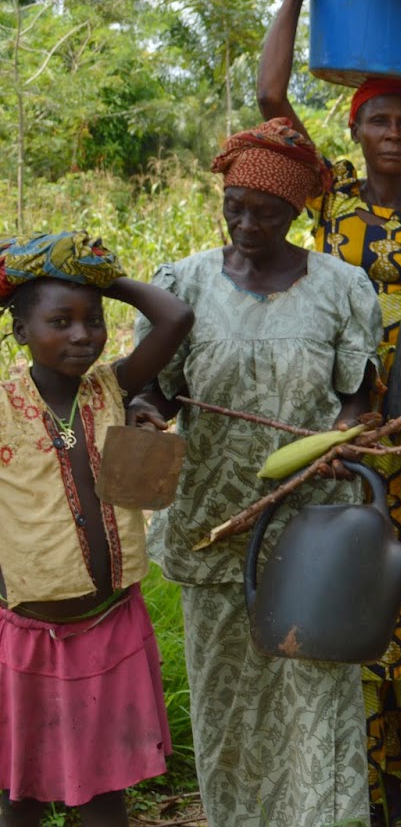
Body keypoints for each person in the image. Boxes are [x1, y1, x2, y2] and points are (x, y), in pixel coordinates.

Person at [256, 0, 401, 822]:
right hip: (348, 427)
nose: (391, 132)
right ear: (356, 130)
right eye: (377, 119)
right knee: (350, 583)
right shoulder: (332, 198)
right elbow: (275, 103)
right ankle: (357, 776)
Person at [129, 120, 382, 827]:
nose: (246, 223)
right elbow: (157, 387)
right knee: (227, 702)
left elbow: (357, 399)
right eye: (234, 206)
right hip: (213, 526)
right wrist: (148, 413)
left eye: (265, 212)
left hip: (311, 534)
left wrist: (346, 432)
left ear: (295, 211)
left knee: (314, 696)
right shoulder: (186, 284)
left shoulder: (340, 287)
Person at [0, 233, 192, 827]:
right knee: (20, 792)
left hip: (111, 624)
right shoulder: (2, 404)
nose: (84, 336)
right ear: (20, 332)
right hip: (30, 634)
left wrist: (100, 277)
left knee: (108, 791)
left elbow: (175, 316)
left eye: (94, 320)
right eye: (61, 321)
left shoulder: (112, 387)